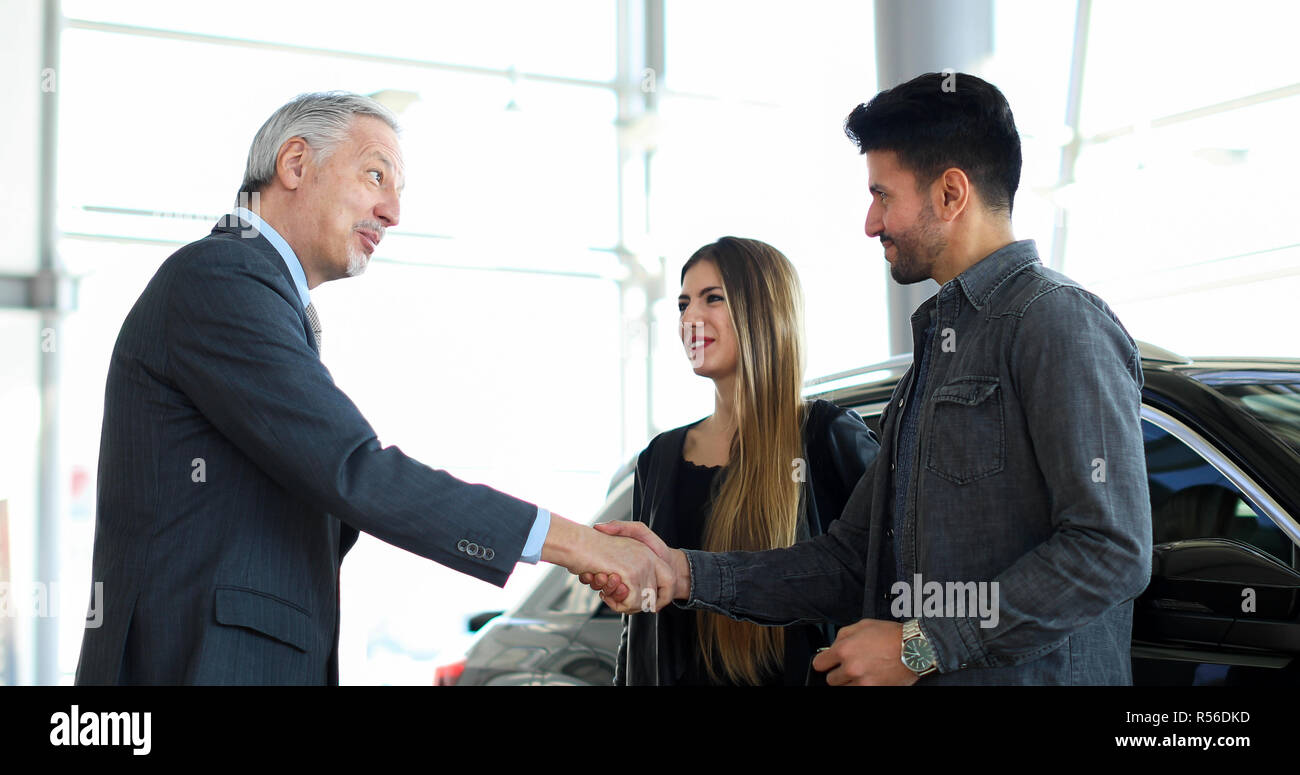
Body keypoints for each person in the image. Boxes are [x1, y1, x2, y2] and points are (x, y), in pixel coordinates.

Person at [75, 91, 670, 685]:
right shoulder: (221, 278)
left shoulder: (253, 290)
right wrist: (578, 545)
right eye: (375, 175)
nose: (392, 212)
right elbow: (355, 472)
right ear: (296, 164)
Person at [588, 72, 1153, 686]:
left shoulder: (1057, 322)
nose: (870, 221)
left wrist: (921, 645)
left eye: (883, 195)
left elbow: (1110, 551)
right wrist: (683, 572)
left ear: (951, 193)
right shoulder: (938, 356)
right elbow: (851, 561)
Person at [612, 238, 878, 686]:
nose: (689, 319)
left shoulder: (827, 437)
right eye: (682, 304)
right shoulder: (659, 457)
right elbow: (638, 629)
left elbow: (882, 578)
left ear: (764, 310)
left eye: (712, 298)